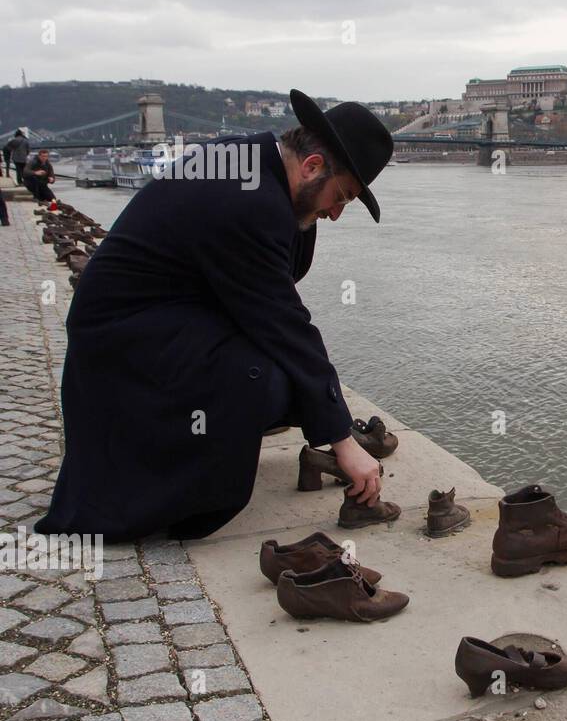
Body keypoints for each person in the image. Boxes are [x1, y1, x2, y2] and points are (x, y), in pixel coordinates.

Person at [36, 90, 394, 542]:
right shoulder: (249, 202)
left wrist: (311, 209)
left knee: (288, 379)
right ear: (312, 166)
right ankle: (169, 498)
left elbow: (278, 285)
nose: (337, 214)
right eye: (340, 196)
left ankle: (200, 448)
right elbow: (283, 321)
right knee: (264, 380)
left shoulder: (250, 164)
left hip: (141, 330)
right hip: (125, 351)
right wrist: (342, 439)